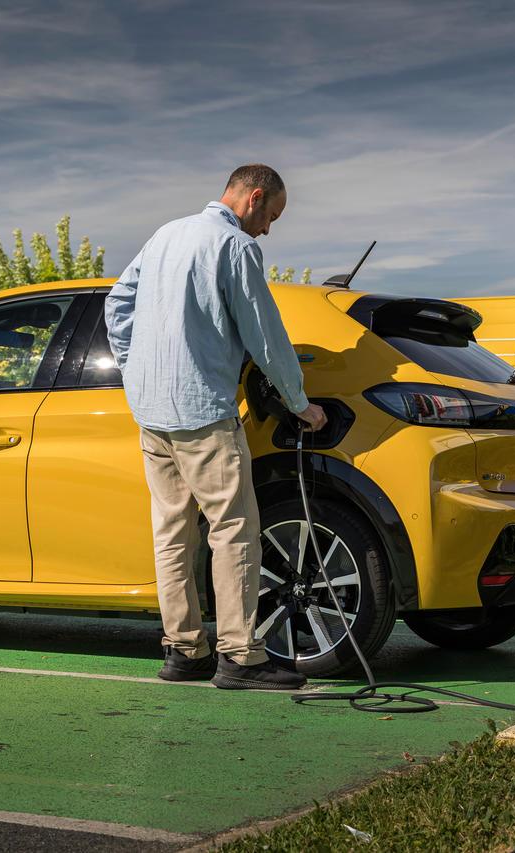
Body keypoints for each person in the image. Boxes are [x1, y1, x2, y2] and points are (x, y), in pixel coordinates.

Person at [105, 164, 327, 690]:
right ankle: (241, 657)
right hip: (203, 414)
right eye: (271, 216)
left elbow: (117, 305)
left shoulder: (165, 234)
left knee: (172, 534)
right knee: (234, 532)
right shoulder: (235, 246)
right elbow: (265, 334)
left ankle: (184, 652)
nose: (267, 229)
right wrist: (300, 403)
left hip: (153, 416)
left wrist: (137, 371)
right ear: (254, 197)